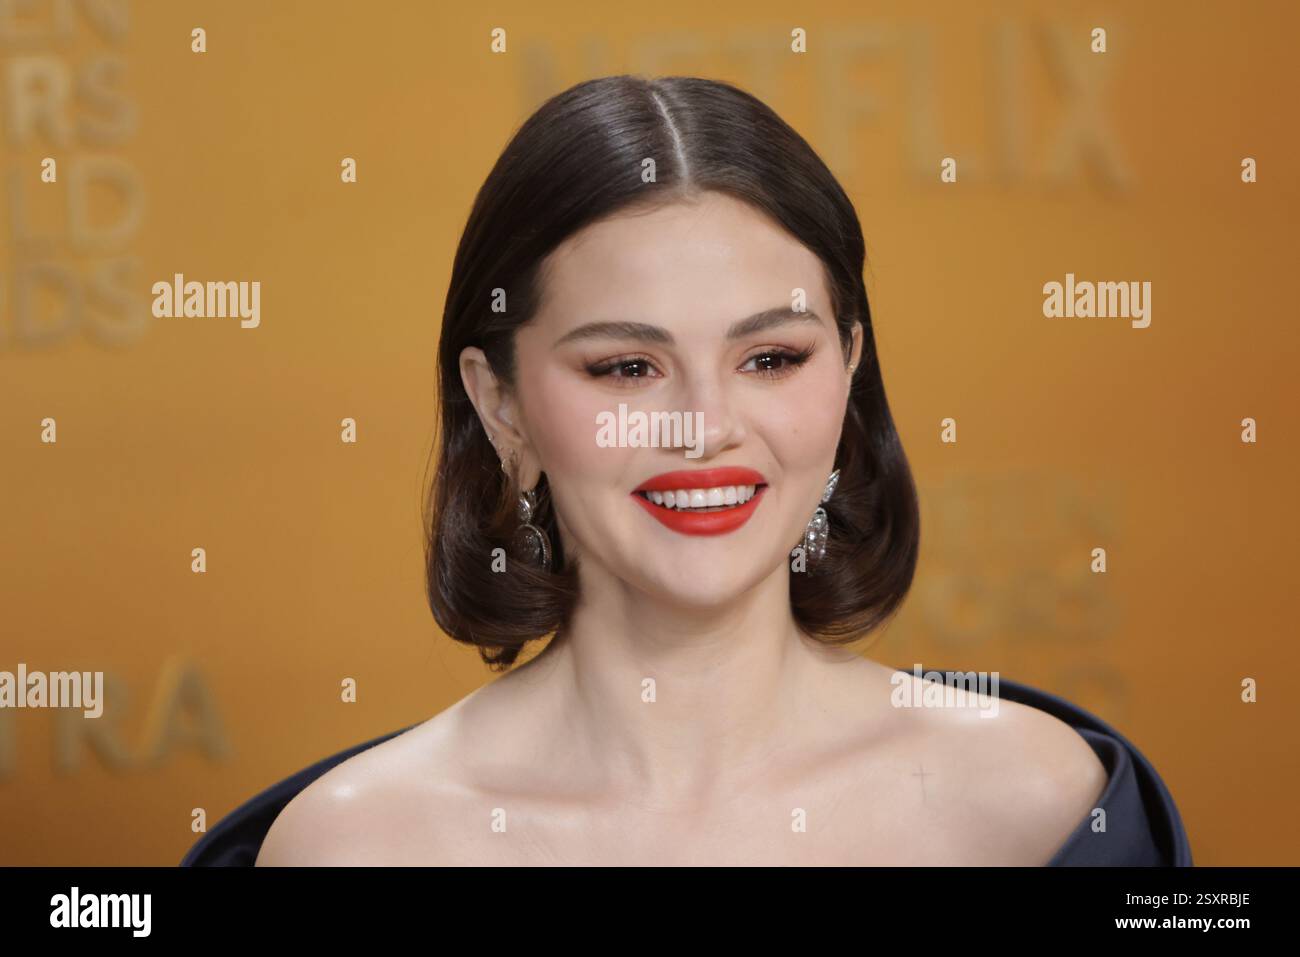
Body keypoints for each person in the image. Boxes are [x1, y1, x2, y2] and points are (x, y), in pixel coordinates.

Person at [182, 75, 1190, 866]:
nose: (705, 428)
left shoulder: (1042, 807)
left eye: (771, 359)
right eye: (626, 366)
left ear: (847, 373)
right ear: (501, 406)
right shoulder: (354, 849)